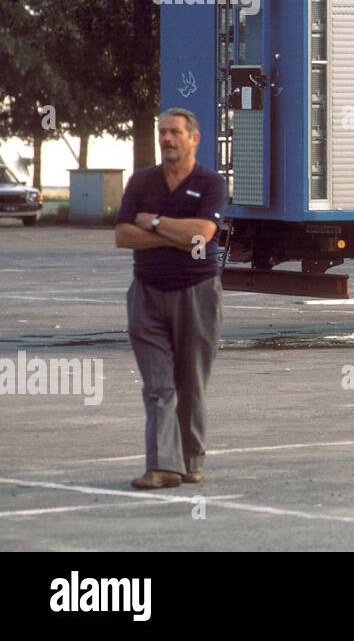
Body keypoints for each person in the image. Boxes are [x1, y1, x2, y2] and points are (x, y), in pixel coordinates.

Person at [114, 108, 225, 489]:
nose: (166, 139)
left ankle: (191, 460)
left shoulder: (210, 183)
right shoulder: (142, 182)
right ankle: (163, 466)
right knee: (159, 385)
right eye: (162, 132)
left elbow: (201, 236)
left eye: (175, 132)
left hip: (196, 293)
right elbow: (123, 235)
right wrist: (174, 236)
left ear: (194, 138)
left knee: (190, 383)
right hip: (146, 294)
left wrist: (156, 222)